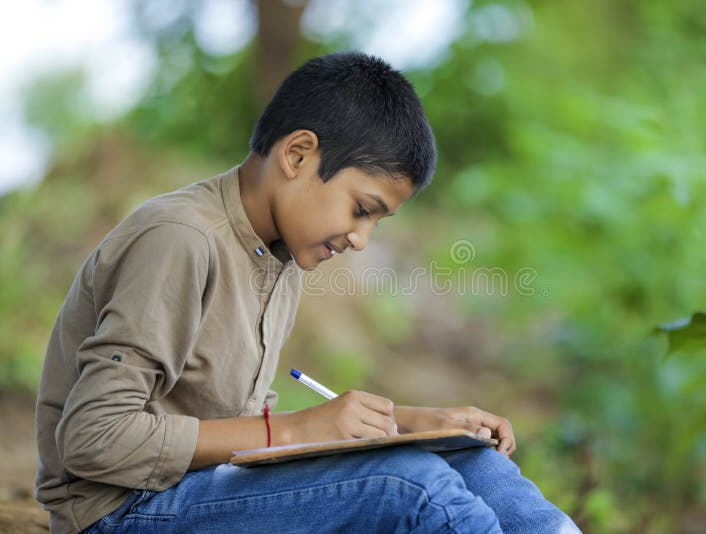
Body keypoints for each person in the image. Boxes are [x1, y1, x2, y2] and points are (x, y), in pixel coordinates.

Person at [34, 51, 581, 533]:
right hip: (122, 514)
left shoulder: (277, 255)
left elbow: (230, 415)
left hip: (195, 489)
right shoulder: (181, 239)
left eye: (377, 222)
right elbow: (92, 438)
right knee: (412, 488)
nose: (362, 239)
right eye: (362, 210)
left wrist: (412, 423)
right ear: (297, 155)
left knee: (470, 462)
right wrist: (293, 428)